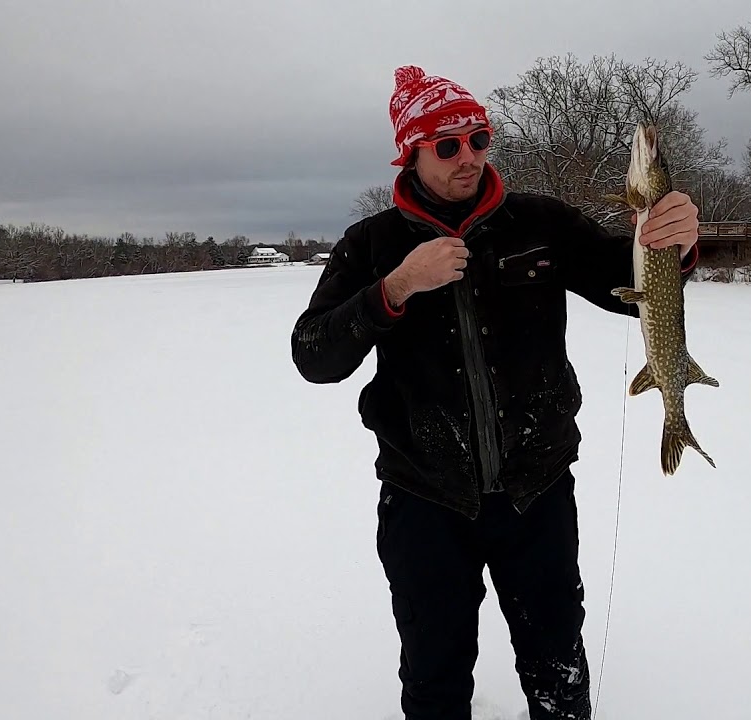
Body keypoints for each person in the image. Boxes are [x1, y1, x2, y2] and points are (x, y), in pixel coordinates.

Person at [290, 65, 701, 720]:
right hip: (424, 499)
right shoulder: (372, 244)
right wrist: (395, 288)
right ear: (411, 153)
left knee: (557, 664)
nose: (469, 156)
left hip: (536, 492)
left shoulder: (539, 223)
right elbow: (313, 355)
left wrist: (672, 244)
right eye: (447, 145)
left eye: (478, 139)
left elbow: (629, 286)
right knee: (435, 673)